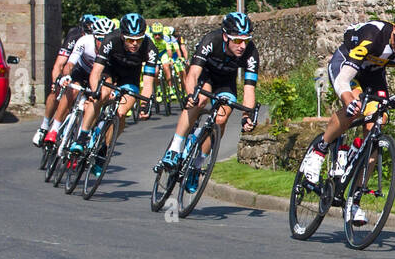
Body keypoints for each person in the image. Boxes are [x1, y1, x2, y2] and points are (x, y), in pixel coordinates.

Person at [299, 4, 395, 224]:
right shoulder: (374, 36)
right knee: (355, 108)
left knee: (378, 122)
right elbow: (343, 80)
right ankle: (319, 150)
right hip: (346, 65)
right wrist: (349, 100)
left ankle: (354, 200)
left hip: (373, 73)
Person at [159, 11, 258, 177]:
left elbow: (249, 89)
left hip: (226, 82)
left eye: (246, 40)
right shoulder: (212, 40)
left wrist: (246, 115)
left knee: (221, 118)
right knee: (200, 99)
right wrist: (191, 95)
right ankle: (174, 148)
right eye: (238, 40)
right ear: (226, 37)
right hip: (205, 75)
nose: (242, 46)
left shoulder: (251, 53)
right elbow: (193, 75)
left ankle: (197, 166)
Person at [74, 13, 157, 161]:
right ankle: (82, 136)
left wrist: (144, 105)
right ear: (122, 36)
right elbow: (96, 71)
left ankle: (104, 149)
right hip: (109, 70)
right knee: (102, 94)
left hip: (130, 76)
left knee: (121, 112)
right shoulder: (111, 39)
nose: (134, 44)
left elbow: (148, 82)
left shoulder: (150, 49)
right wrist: (95, 92)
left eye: (138, 40)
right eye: (130, 40)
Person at [34, 14, 98, 146]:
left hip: (93, 73)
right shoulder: (75, 36)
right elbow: (60, 64)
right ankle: (45, 127)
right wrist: (56, 82)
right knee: (57, 91)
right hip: (76, 68)